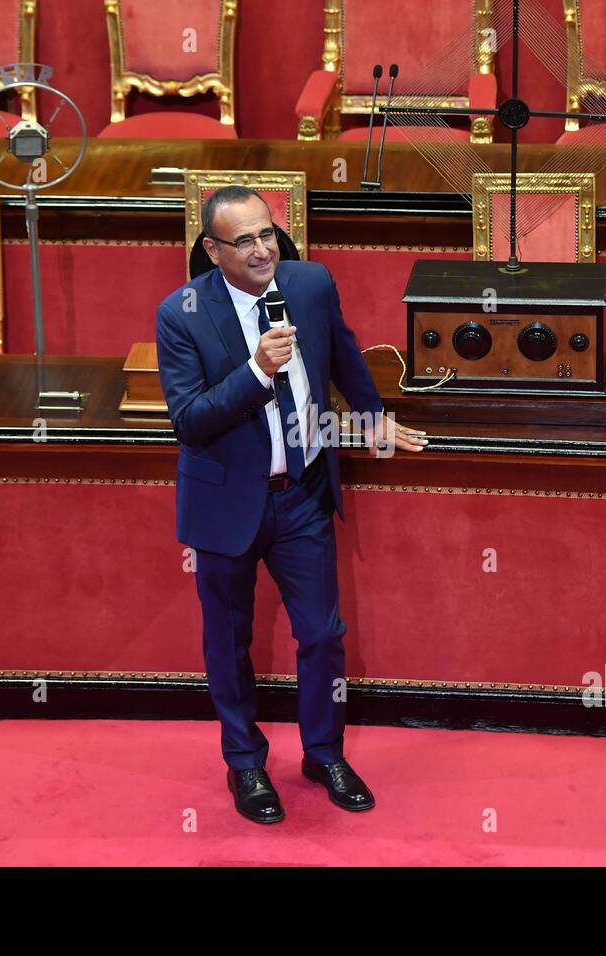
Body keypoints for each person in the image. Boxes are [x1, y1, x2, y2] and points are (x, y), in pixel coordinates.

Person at [155, 185, 427, 824]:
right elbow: (189, 420)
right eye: (243, 241)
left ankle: (324, 752)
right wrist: (255, 373)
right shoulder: (181, 313)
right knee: (229, 641)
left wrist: (372, 417)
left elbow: (344, 353)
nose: (261, 250)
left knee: (322, 634)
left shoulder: (309, 282)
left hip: (301, 494)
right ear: (212, 250)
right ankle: (246, 765)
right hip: (227, 505)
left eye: (266, 233)